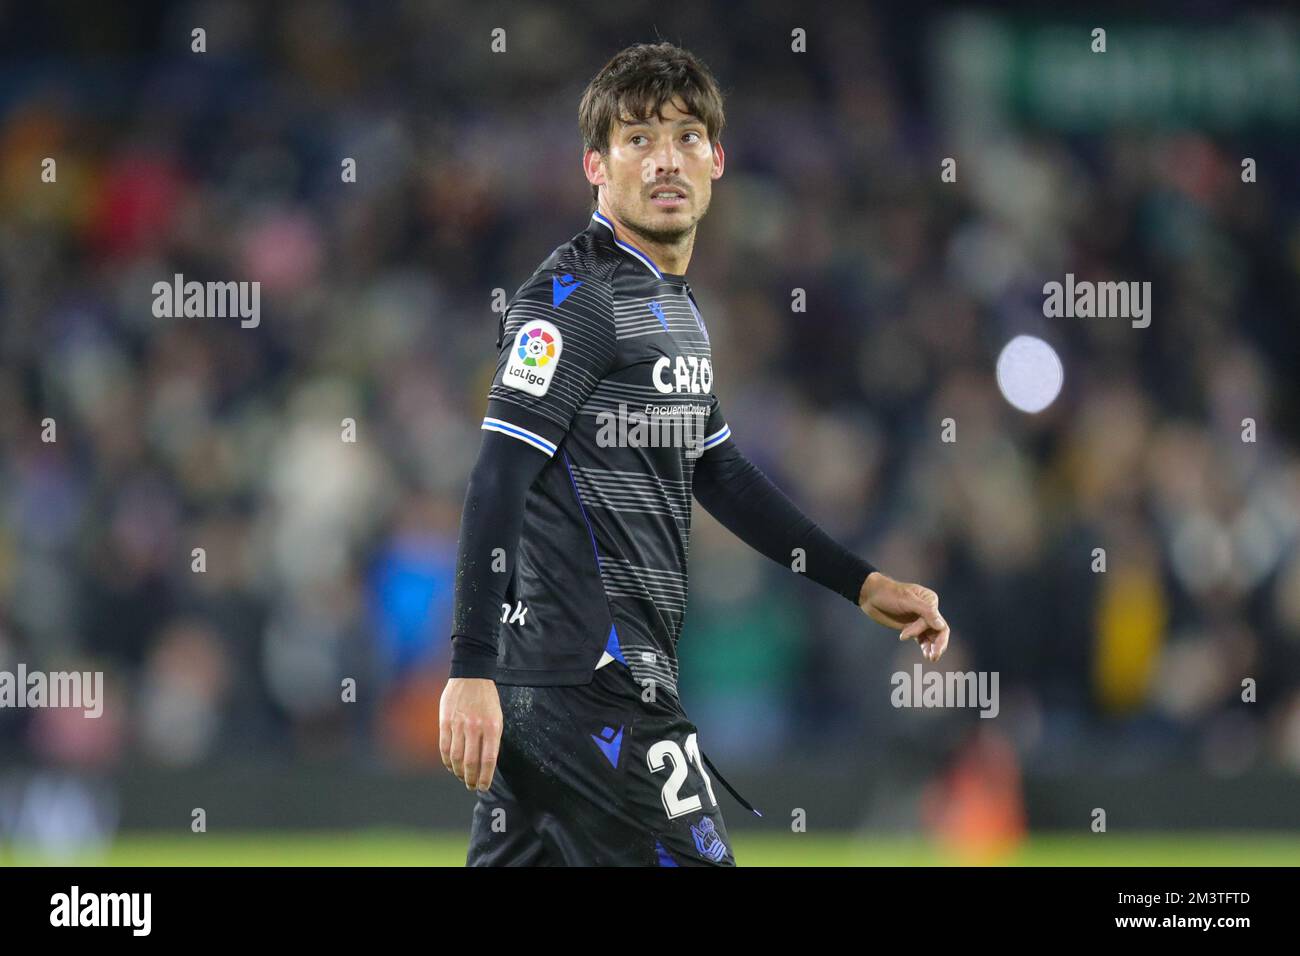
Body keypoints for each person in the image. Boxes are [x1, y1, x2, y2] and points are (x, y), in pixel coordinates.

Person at [439, 41, 950, 866]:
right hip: (592, 684)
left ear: (718, 160)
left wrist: (859, 582)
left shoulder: (675, 311)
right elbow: (498, 473)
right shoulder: (576, 299)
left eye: (684, 137)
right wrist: (469, 668)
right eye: (637, 140)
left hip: (554, 691)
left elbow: (720, 472)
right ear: (595, 168)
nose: (664, 160)